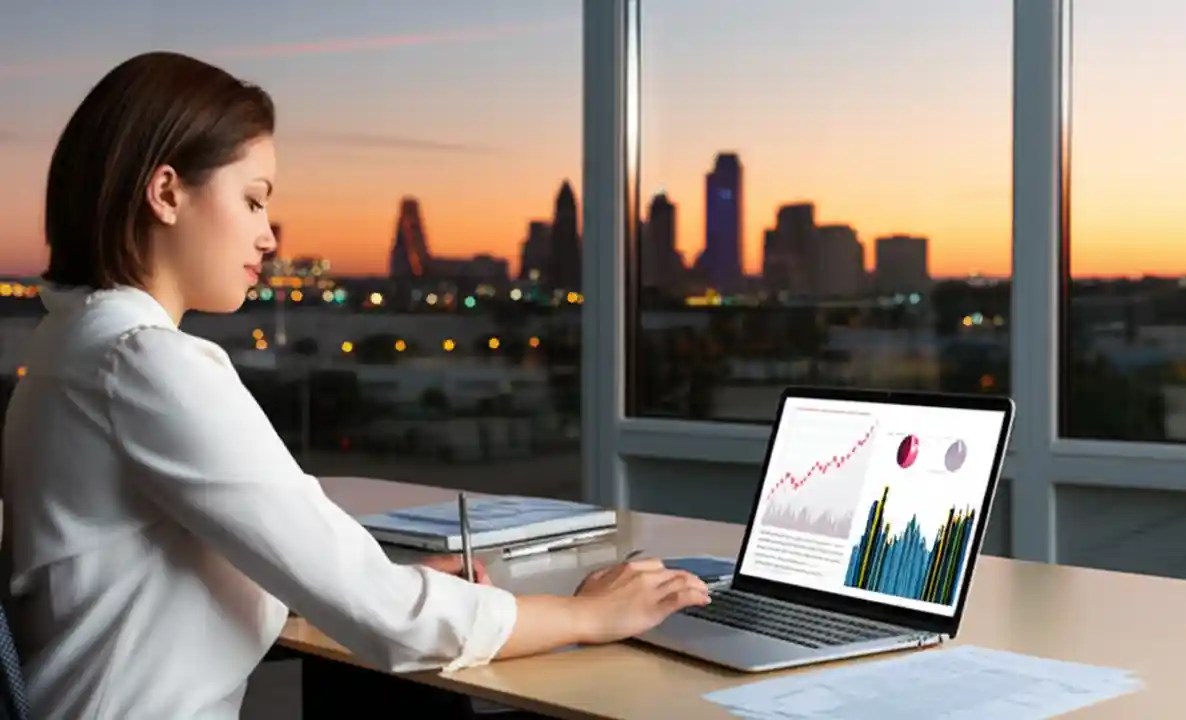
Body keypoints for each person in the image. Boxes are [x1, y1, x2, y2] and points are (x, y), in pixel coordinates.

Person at [0, 51, 710, 719]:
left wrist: (371, 585)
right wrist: (589, 616)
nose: (268, 236)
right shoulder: (143, 364)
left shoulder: (72, 348)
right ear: (166, 192)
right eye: (252, 200)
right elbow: (390, 624)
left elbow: (166, 576)